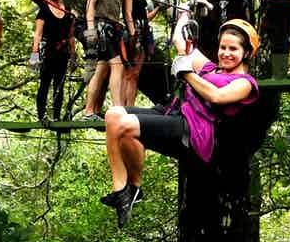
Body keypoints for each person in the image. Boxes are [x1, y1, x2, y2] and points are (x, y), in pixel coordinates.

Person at [102, 12, 261, 228]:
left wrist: (186, 73)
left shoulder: (245, 83)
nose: (225, 53)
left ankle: (133, 188)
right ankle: (122, 190)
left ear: (247, 53)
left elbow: (216, 96)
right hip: (174, 113)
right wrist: (184, 13)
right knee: (113, 115)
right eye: (223, 47)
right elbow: (179, 41)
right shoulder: (210, 68)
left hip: (194, 131)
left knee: (126, 125)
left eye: (233, 49)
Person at [82, 0, 127, 121]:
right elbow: (90, 4)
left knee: (101, 70)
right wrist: (91, 28)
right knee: (118, 65)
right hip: (101, 25)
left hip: (114, 26)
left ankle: (88, 111)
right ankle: (117, 108)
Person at [28, 0, 76, 122]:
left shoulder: (68, 11)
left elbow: (71, 35)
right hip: (48, 51)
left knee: (59, 85)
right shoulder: (44, 10)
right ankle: (41, 115)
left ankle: (56, 117)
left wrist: (73, 54)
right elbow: (38, 34)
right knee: (45, 83)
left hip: (63, 52)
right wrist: (34, 54)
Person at [122, 0, 161, 106]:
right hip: (134, 32)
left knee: (136, 74)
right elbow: (128, 12)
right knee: (129, 73)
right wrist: (133, 34)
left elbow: (145, 17)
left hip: (143, 30)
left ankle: (130, 106)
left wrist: (158, 8)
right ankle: (124, 106)